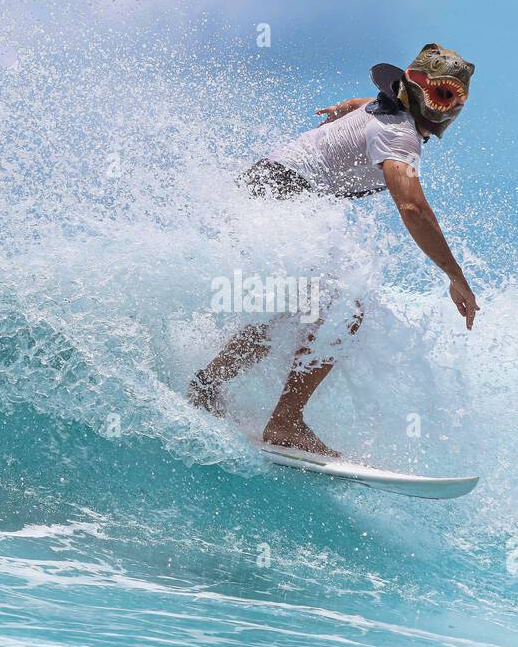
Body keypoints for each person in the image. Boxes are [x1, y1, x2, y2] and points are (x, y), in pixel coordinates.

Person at [187, 43, 479, 457]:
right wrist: (456, 276)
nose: (445, 106)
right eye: (440, 94)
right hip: (282, 199)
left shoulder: (386, 110)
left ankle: (209, 383)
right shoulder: (397, 134)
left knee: (301, 311)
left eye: (453, 98)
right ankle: (285, 422)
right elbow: (411, 206)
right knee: (344, 308)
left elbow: (374, 108)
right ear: (415, 88)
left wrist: (347, 109)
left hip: (263, 193)